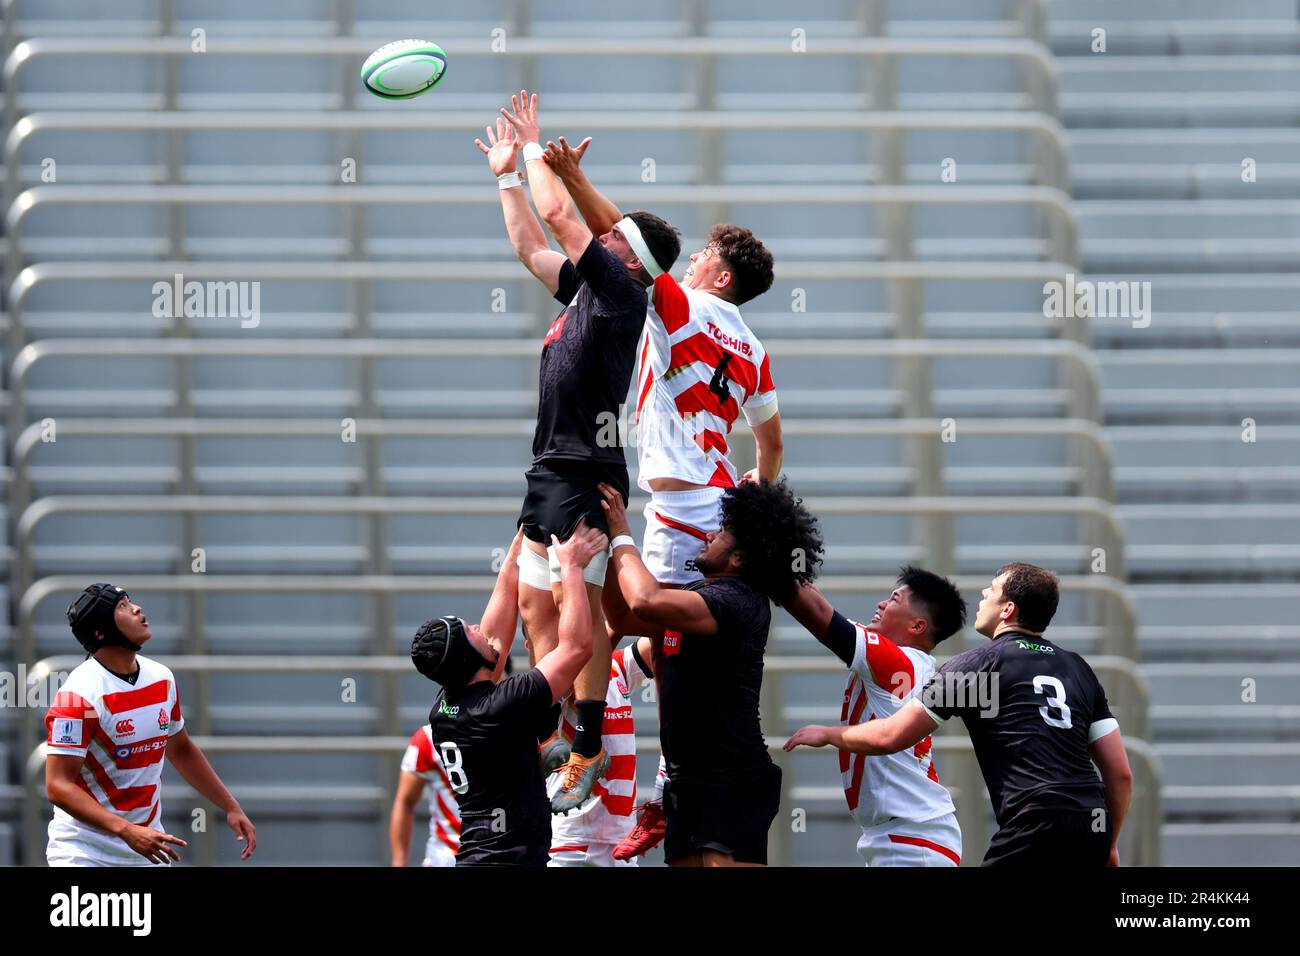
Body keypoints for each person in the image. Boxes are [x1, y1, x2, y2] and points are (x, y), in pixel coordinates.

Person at [541, 132, 784, 860]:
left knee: (636, 645)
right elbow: (770, 446)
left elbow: (635, 249)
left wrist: (576, 181)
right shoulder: (753, 348)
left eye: (705, 255)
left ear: (719, 274)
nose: (694, 260)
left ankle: (600, 774)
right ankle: (656, 790)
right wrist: (756, 500)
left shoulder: (690, 311)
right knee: (662, 657)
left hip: (679, 518)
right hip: (718, 508)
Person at [476, 90, 682, 809]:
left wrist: (535, 152)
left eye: (617, 234)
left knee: (577, 599)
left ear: (633, 260)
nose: (605, 233)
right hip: (551, 467)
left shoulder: (624, 295)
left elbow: (560, 217)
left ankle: (587, 741)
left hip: (584, 468)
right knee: (537, 607)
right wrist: (507, 177)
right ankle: (555, 727)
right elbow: (532, 244)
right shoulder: (592, 293)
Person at [785, 563, 1134, 867]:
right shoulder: (1079, 668)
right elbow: (1119, 773)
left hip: (1016, 826)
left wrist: (829, 735)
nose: (984, 593)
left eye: (993, 589)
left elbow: (890, 736)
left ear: (1008, 609)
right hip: (1090, 824)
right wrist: (1109, 842)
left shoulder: (973, 667)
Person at [599, 479, 823, 867]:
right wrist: (602, 546)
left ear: (738, 558)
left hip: (730, 779)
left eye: (720, 533)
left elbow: (644, 600)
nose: (708, 534)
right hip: (687, 781)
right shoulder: (698, 596)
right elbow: (621, 615)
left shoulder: (736, 602)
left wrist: (621, 535)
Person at [414, 524, 607, 867]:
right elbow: (577, 647)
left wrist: (516, 555)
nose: (477, 627)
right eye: (467, 630)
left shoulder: (445, 706)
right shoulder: (501, 705)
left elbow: (493, 640)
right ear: (465, 658)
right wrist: (572, 568)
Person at [44, 583, 256, 866]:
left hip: (147, 851)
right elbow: (57, 786)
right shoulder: (79, 696)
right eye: (121, 606)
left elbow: (180, 749)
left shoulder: (161, 678)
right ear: (100, 632)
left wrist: (230, 806)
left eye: (130, 601)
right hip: (85, 854)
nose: (137, 608)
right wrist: (127, 830)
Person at [782, 569, 967, 866]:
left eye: (894, 599)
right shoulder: (902, 660)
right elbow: (821, 607)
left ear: (918, 626)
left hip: (911, 839)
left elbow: (817, 614)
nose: (882, 603)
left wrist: (765, 559)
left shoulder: (896, 662)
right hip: (907, 836)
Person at [546, 635, 655, 867]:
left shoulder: (616, 666)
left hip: (621, 842)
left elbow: (656, 638)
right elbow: (589, 643)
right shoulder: (551, 678)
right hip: (572, 842)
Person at [390, 724, 461, 867]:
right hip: (446, 858)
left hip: (500, 854)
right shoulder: (429, 737)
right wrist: (399, 861)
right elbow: (405, 801)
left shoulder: (510, 733)